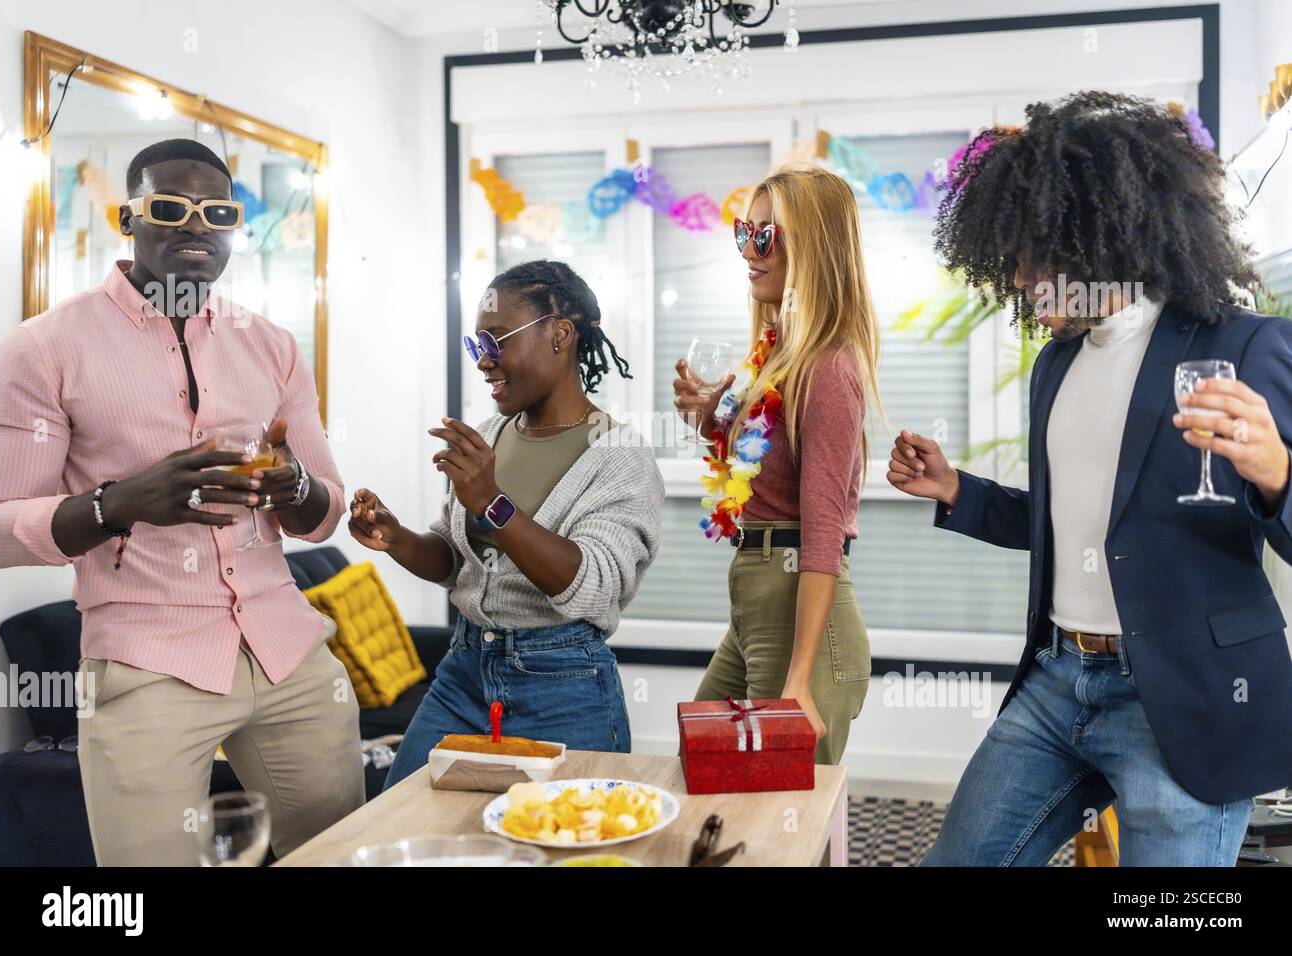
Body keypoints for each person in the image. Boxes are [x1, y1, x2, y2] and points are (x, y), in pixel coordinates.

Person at [888, 92, 1292, 866]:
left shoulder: (1247, 347)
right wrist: (956, 492)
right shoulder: (1058, 365)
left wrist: (1277, 476)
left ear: (1099, 233)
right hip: (1057, 682)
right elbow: (1074, 521)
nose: (1018, 279)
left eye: (1029, 254)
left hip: (1186, 697)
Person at [0, 138, 361, 865]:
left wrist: (292, 485)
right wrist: (119, 502)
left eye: (217, 211)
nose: (197, 225)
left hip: (290, 655)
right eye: (169, 207)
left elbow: (323, 511)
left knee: (337, 855)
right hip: (146, 661)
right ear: (125, 218)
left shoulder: (274, 346)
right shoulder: (42, 348)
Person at [350, 259, 663, 789]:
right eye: (476, 347)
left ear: (560, 334)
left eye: (496, 342)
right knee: (401, 814)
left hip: (564, 683)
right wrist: (398, 538)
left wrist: (493, 502)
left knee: (567, 840)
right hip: (465, 671)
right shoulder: (491, 433)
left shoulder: (621, 457)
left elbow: (592, 586)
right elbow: (456, 561)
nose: (483, 362)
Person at [672, 163, 883, 765]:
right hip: (757, 603)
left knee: (779, 827)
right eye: (745, 233)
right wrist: (712, 416)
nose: (749, 251)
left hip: (802, 614)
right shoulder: (777, 353)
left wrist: (798, 683)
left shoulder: (828, 366)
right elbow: (762, 465)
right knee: (701, 769)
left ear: (812, 249)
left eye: (766, 236)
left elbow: (822, 533)